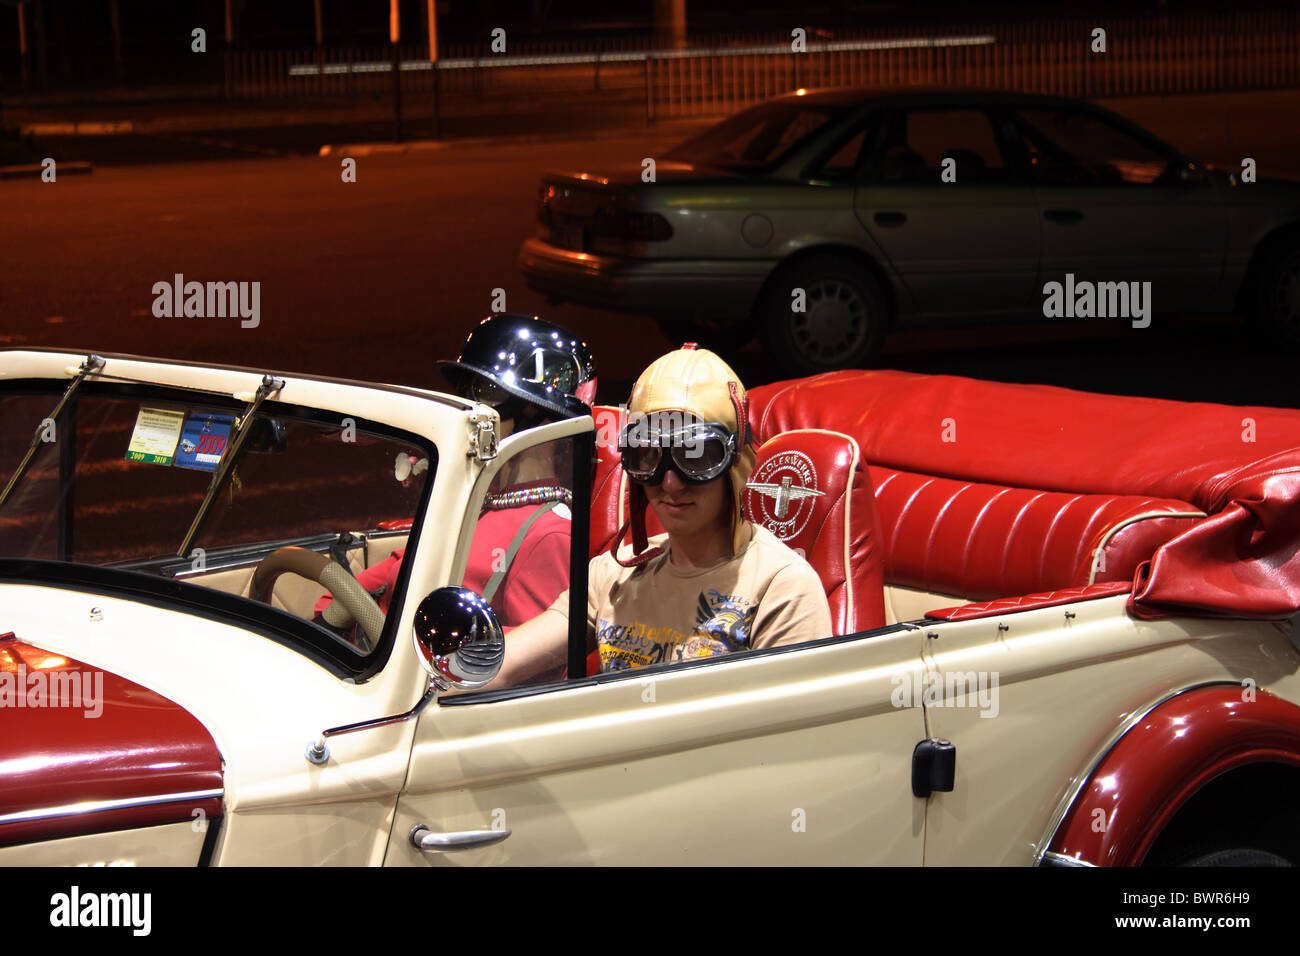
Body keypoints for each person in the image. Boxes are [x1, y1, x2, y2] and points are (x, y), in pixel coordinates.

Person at [494, 344, 832, 686]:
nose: (669, 483)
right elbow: (504, 666)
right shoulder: (611, 576)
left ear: (737, 462)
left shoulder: (782, 588)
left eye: (696, 457)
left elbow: (790, 730)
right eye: (648, 457)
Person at [314, 313, 597, 632]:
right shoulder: (468, 507)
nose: (466, 409)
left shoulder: (549, 534)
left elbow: (533, 671)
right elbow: (350, 592)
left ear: (540, 420)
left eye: (485, 392)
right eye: (466, 392)